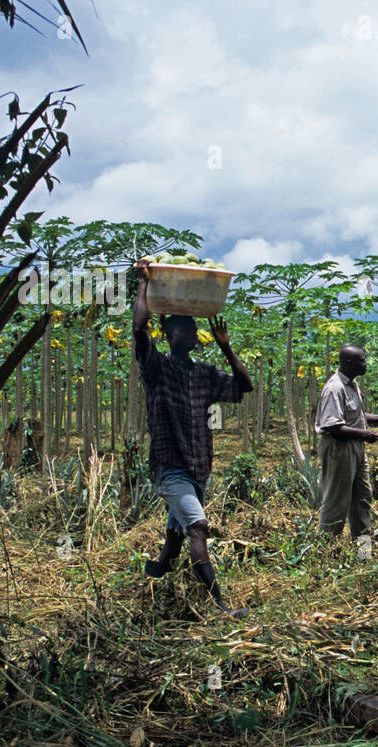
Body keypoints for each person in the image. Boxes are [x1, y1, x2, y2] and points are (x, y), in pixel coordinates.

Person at [132, 260, 253, 618]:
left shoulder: (205, 373)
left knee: (180, 526)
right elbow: (139, 330)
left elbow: (244, 386)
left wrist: (227, 347)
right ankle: (220, 605)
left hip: (199, 465)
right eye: (183, 329)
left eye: (193, 329)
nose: (190, 334)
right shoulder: (157, 369)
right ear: (169, 335)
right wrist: (143, 285)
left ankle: (161, 565)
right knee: (198, 525)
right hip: (171, 467)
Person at [316, 346, 378, 538]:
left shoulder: (352, 384)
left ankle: (363, 551)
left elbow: (354, 415)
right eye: (362, 361)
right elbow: (333, 427)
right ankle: (325, 552)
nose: (365, 364)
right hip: (339, 448)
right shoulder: (334, 388)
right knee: (337, 501)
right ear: (349, 363)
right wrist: (364, 434)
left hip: (355, 447)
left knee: (363, 499)